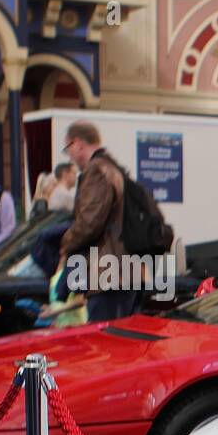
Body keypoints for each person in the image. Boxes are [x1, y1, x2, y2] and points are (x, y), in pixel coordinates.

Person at [57, 120, 132, 322]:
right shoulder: (112, 168)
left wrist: (65, 243)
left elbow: (89, 222)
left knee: (105, 345)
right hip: (121, 271)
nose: (70, 157)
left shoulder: (96, 170)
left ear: (78, 143)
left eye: (68, 149)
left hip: (107, 274)